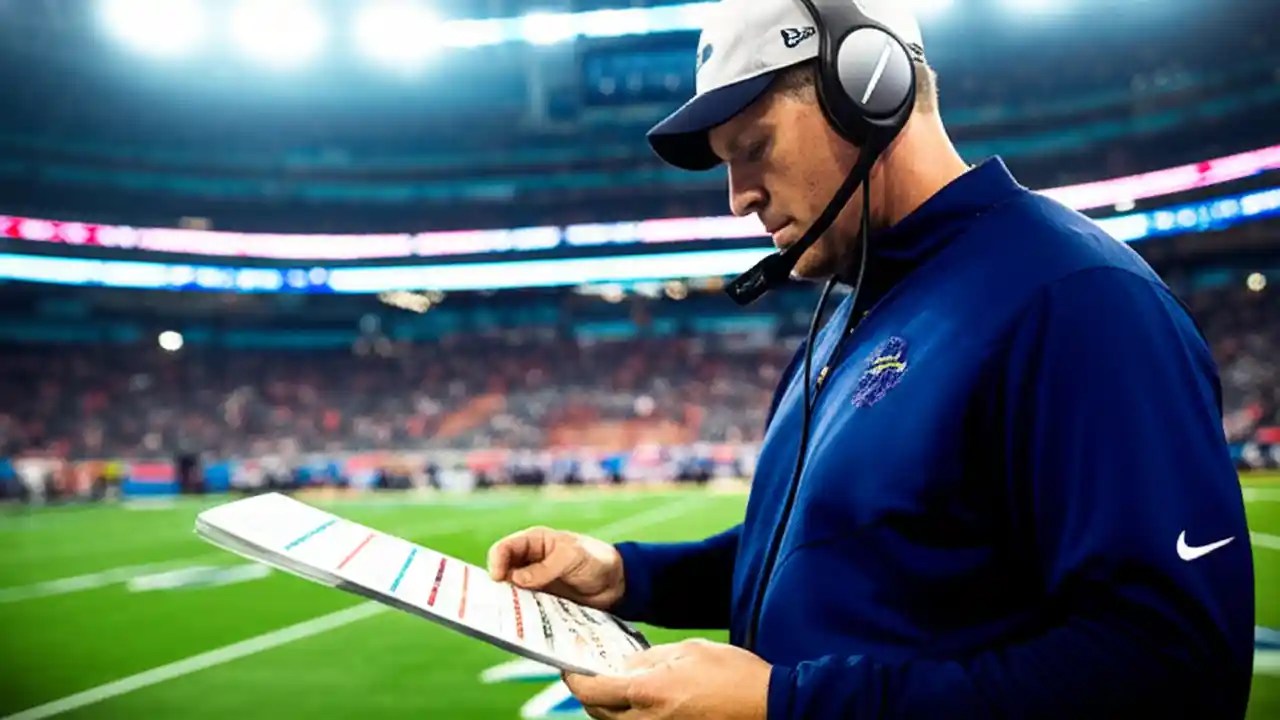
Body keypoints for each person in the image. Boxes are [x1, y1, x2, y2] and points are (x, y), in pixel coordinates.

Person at [487, 0, 1256, 717]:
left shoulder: (1076, 299)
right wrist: (628, 574)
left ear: (869, 87)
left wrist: (784, 704)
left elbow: (1174, 667)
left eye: (753, 148)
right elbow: (836, 550)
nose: (738, 197)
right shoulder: (845, 319)